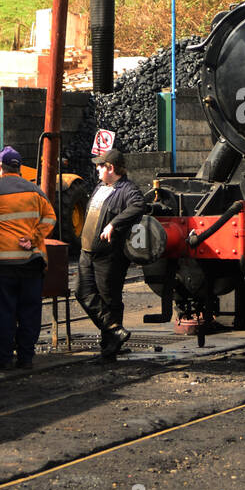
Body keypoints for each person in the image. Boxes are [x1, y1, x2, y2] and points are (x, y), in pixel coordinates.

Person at [0, 147, 56, 369]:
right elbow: (50, 217)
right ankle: (26, 358)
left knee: (2, 313)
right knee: (29, 312)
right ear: (18, 167)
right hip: (31, 263)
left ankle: (4, 360)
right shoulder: (35, 190)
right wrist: (34, 237)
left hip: (1, 265)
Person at [78, 148, 145, 360]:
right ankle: (114, 330)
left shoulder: (127, 189)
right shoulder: (100, 187)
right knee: (82, 292)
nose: (97, 169)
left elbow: (139, 205)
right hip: (87, 252)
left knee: (109, 299)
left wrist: (114, 224)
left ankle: (109, 350)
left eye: (100, 165)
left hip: (108, 255)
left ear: (111, 168)